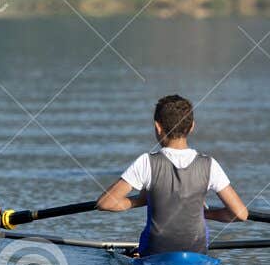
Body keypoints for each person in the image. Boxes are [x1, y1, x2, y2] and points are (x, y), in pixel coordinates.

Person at [97, 94, 248, 254]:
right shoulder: (210, 164)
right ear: (192, 127)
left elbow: (105, 203)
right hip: (195, 253)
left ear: (158, 127)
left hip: (155, 252)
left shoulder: (146, 162)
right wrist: (204, 213)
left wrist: (141, 200)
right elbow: (240, 214)